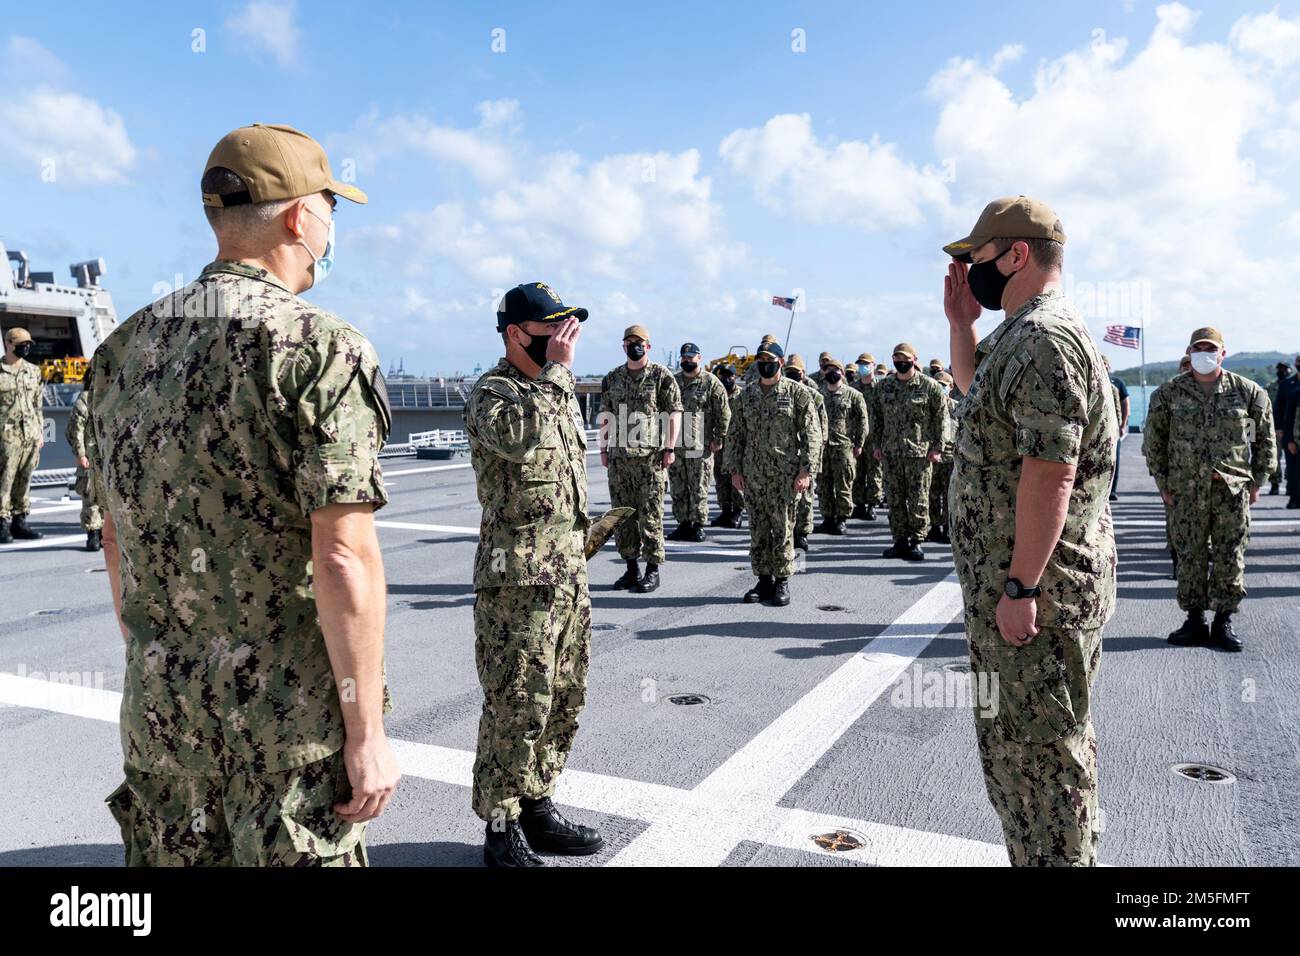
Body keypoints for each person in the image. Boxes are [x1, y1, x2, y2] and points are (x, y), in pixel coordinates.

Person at [85, 123, 398, 866]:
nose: (330, 226)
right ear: (299, 216)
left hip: (164, 726)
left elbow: (114, 539)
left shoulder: (122, 351)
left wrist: (165, 664)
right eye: (330, 206)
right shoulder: (320, 346)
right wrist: (367, 734)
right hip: (287, 738)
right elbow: (344, 557)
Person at [943, 195, 1116, 866]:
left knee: (1045, 764)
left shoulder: (1044, 337)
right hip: (1022, 592)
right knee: (1022, 759)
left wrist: (1021, 584)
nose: (969, 271)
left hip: (1038, 598)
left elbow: (1053, 471)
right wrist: (961, 321)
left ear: (1016, 255)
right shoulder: (1022, 334)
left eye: (976, 258)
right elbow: (973, 386)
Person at [465, 282, 603, 867]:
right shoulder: (494, 394)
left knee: (564, 697)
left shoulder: (555, 391)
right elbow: (520, 442)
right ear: (517, 333)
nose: (565, 341)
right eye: (554, 330)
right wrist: (558, 378)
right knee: (517, 702)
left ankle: (536, 803)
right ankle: (500, 828)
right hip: (517, 581)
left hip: (567, 575)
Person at [1143, 327, 1276, 652]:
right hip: (1185, 492)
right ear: (1189, 352)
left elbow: (1259, 440)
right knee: (1190, 555)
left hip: (1231, 491)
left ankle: (1223, 621)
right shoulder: (1169, 394)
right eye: (1199, 348)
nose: (1205, 353)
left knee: (1231, 555)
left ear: (1223, 353)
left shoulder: (1246, 393)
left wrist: (1257, 481)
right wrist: (1163, 484)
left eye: (1211, 348)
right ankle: (1194, 620)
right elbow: (1154, 442)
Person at [725, 341, 820, 606]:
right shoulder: (748, 395)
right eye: (760, 360)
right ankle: (763, 580)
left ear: (779, 362)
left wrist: (806, 470)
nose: (764, 364)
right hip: (754, 475)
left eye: (769, 360)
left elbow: (812, 434)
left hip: (785, 476)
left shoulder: (797, 394)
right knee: (758, 530)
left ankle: (782, 581)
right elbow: (735, 433)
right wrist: (734, 469)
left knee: (783, 529)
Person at [599, 325, 681, 593]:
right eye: (629, 342)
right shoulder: (612, 378)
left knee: (651, 516)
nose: (634, 345)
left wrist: (670, 448)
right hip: (620, 460)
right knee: (622, 518)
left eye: (639, 342)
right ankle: (631, 569)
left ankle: (652, 570)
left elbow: (674, 412)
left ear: (648, 346)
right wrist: (603, 448)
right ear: (623, 346)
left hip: (650, 460)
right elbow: (606, 416)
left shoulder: (661, 376)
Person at [873, 342, 946, 560]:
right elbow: (876, 417)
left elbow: (941, 418)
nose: (901, 362)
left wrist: (937, 447)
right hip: (891, 453)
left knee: (918, 499)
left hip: (919, 454)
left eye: (905, 359)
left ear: (914, 359)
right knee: (894, 499)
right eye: (897, 359)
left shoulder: (929, 386)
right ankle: (900, 540)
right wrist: (877, 445)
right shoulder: (883, 387)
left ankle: (916, 541)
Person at [668, 343, 730, 542]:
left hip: (700, 447)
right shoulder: (673, 382)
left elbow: (724, 412)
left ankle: (697, 525)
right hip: (676, 445)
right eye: (684, 357)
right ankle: (683, 524)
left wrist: (719, 437)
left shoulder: (711, 382)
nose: (687, 360)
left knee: (699, 488)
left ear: (699, 358)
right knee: (678, 487)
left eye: (691, 356)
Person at [0, 327, 45, 543]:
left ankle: (20, 522)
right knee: (5, 480)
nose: (25, 348)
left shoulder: (33, 371)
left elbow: (38, 404)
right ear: (9, 344)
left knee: (25, 479)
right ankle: (2, 523)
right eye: (21, 345)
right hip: (6, 436)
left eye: (28, 344)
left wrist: (40, 433)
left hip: (30, 434)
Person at [813, 357, 867, 535]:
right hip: (823, 447)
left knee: (843, 484)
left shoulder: (853, 395)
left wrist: (859, 443)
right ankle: (828, 518)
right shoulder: (818, 395)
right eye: (827, 370)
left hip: (844, 447)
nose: (831, 373)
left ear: (842, 373)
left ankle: (842, 519)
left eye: (835, 370)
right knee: (823, 485)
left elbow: (862, 421)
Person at [784, 354, 826, 551]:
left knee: (806, 497)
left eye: (796, 372)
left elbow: (821, 429)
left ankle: (802, 532)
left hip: (806, 453)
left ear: (803, 374)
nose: (792, 375)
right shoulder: (782, 393)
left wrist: (815, 457)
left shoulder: (814, 396)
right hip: (785, 454)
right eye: (789, 372)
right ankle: (787, 532)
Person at [64, 391, 103, 551]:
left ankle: (104, 534)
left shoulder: (115, 392)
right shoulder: (86, 398)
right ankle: (93, 533)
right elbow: (75, 429)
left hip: (109, 456)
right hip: (91, 456)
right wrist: (80, 454)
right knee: (90, 495)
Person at [711, 365, 746, 528]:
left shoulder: (743, 395)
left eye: (730, 375)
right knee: (720, 477)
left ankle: (737, 512)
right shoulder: (717, 395)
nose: (727, 379)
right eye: (724, 375)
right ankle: (725, 510)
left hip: (737, 444)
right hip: (720, 443)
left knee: (736, 477)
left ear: (735, 376)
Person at [850, 352, 884, 521]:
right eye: (860, 364)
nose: (863, 367)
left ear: (873, 365)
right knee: (857, 471)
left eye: (866, 364)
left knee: (874, 472)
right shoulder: (853, 388)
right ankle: (859, 504)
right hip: (856, 436)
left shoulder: (880, 387)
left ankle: (872, 504)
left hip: (874, 436)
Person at [926, 371, 958, 544]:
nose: (940, 388)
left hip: (951, 458)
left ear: (951, 387)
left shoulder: (957, 407)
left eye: (943, 385)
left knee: (948, 495)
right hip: (931, 456)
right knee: (931, 494)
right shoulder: (928, 407)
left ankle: (947, 527)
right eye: (937, 384)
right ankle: (934, 526)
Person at [1103, 357, 1130, 501]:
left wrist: (1123, 424)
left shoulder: (1116, 383)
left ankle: (1112, 490)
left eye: (1106, 364)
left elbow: (1125, 404)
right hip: (1099, 430)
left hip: (1113, 428)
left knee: (1114, 460)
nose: (1104, 366)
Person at [1266, 361, 1290, 495]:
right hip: (1274, 428)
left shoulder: (1294, 386)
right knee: (1274, 457)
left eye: (1285, 369)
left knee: (1292, 458)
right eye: (1280, 369)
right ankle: (1275, 483)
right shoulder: (1271, 388)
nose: (1282, 371)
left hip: (1292, 428)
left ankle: (1290, 483)